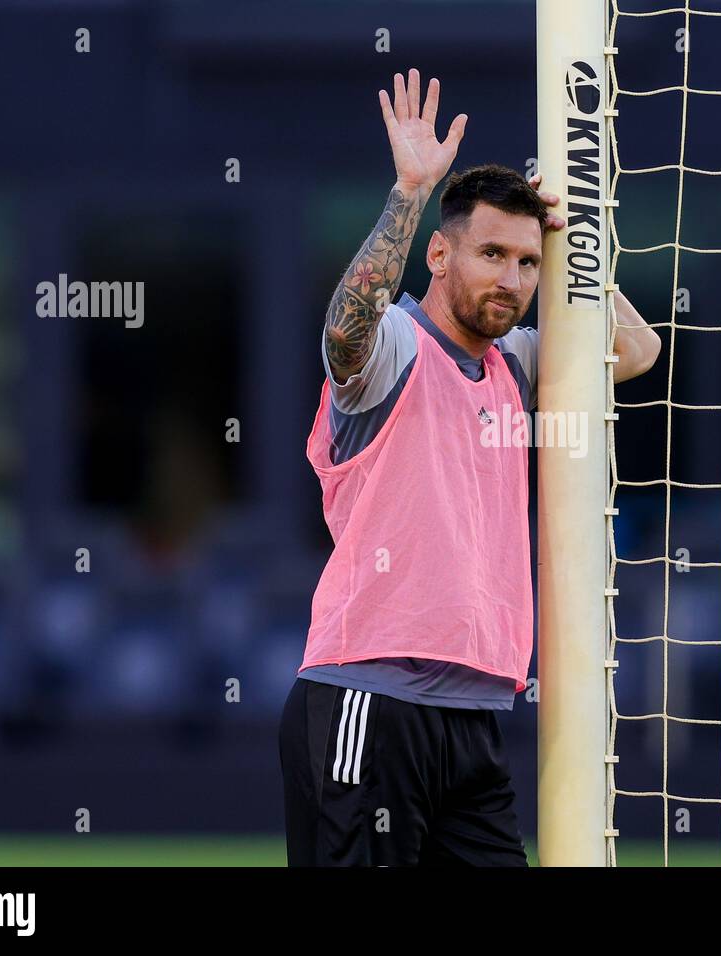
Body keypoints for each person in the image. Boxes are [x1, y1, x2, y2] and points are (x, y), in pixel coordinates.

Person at [278, 67, 661, 866]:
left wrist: (575, 245)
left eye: (526, 262)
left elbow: (636, 348)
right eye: (492, 254)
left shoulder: (517, 366)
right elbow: (345, 331)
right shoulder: (394, 351)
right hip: (368, 696)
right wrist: (410, 193)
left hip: (474, 716)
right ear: (441, 254)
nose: (512, 280)